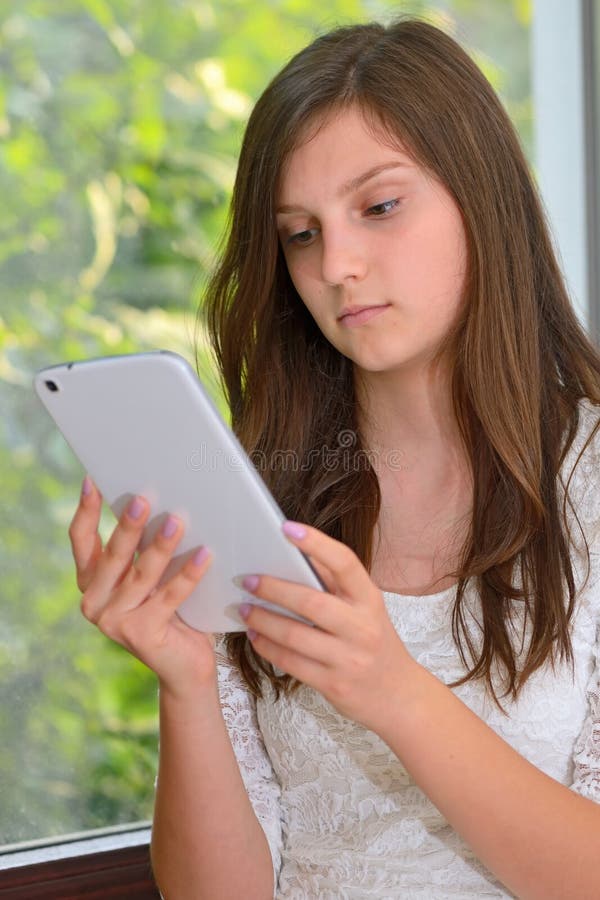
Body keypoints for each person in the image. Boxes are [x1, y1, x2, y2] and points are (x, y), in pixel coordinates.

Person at [69, 18, 600, 900]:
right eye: (301, 234)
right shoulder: (257, 493)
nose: (338, 265)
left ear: (484, 199)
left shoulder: (588, 477)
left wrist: (394, 691)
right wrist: (187, 685)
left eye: (380, 206)